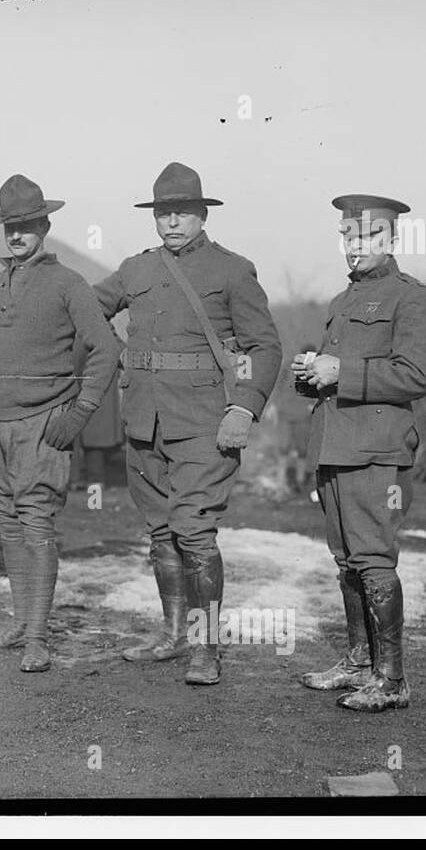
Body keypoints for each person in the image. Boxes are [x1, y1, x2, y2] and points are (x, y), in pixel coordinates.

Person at [95, 162, 281, 684]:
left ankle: (206, 647)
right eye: (163, 213)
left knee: (193, 531)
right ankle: (175, 635)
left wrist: (243, 408)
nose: (172, 222)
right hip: (143, 422)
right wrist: (115, 353)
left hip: (205, 423)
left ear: (202, 214)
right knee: (160, 533)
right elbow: (89, 308)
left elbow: (265, 346)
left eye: (182, 212)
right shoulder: (136, 269)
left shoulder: (232, 270)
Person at [0, 174, 122, 672]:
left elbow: (106, 349)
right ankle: (18, 622)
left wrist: (79, 413)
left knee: (35, 523)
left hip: (43, 425)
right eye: (10, 226)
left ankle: (37, 636)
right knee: (8, 522)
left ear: (45, 225)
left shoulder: (68, 283)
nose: (17, 234)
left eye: (27, 225)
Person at [295, 194, 426, 713]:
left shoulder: (410, 298)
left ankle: (392, 679)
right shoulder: (343, 300)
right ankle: (359, 662)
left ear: (392, 240)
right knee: (346, 559)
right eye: (348, 237)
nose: (355, 248)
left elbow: (415, 377)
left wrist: (341, 373)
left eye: (368, 238)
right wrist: (313, 376)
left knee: (374, 559)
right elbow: (340, 372)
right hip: (335, 445)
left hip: (376, 451)